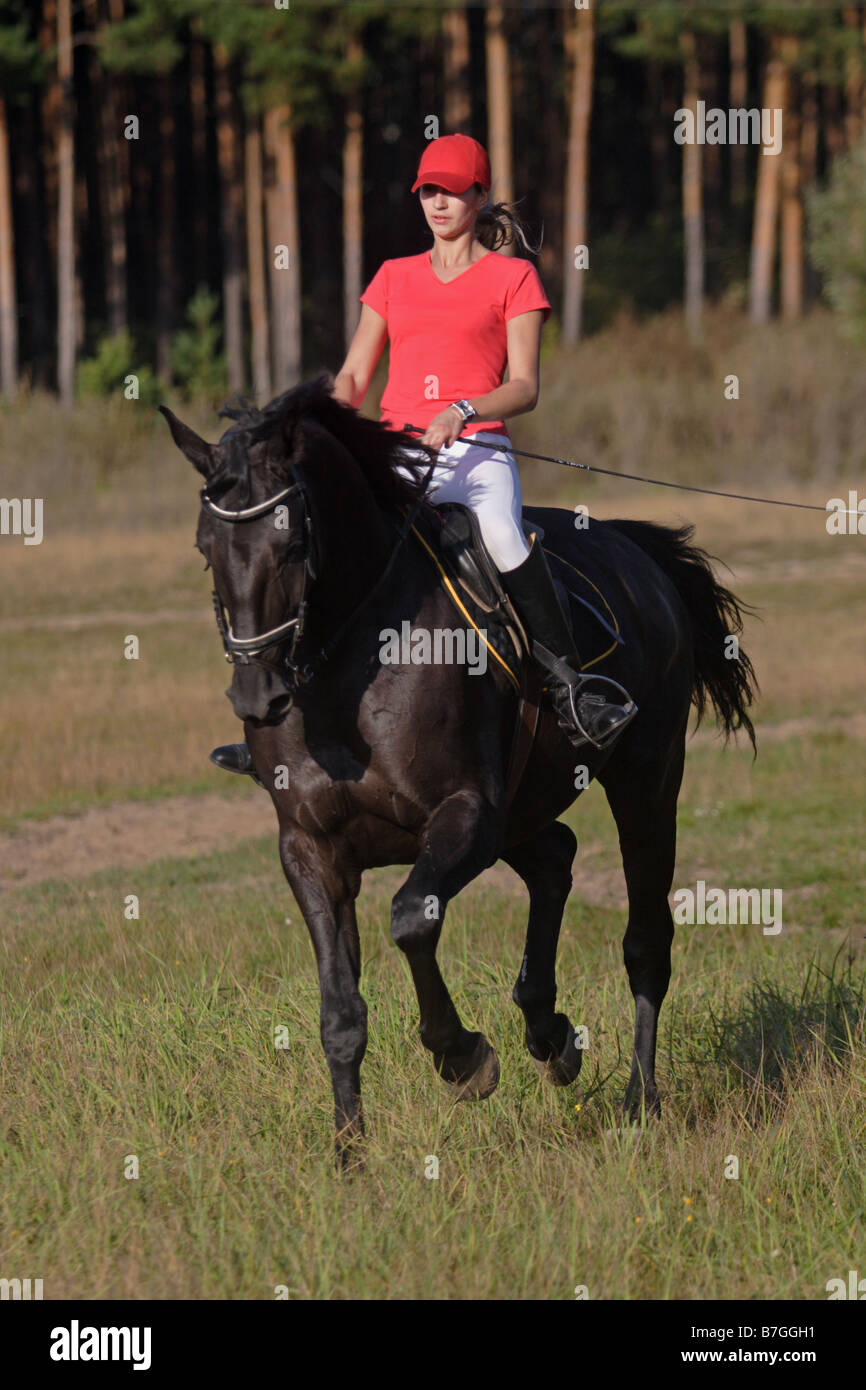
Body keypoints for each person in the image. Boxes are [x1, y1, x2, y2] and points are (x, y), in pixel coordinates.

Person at [211, 133, 635, 782]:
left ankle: (572, 688)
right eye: (428, 190)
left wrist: (464, 408)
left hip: (477, 452)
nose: (438, 202)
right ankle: (284, 716)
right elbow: (353, 381)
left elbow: (525, 385)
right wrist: (288, 421)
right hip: (398, 456)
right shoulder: (393, 277)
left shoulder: (513, 277)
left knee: (501, 537)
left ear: (479, 195)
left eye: (453, 190)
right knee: (325, 544)